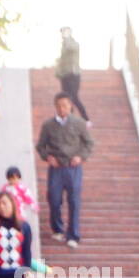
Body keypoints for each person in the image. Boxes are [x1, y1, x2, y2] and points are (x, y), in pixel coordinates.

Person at [35, 91, 92, 249]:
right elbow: (40, 146)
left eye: (65, 105)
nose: (62, 108)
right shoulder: (48, 125)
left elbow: (89, 143)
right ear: (55, 106)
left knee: (74, 200)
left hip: (73, 168)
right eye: (59, 105)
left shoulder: (79, 123)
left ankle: (73, 235)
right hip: (56, 168)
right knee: (54, 199)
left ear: (70, 106)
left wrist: (80, 157)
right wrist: (48, 157)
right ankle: (57, 229)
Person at [56, 27, 90, 122]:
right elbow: (62, 61)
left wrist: (67, 39)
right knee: (66, 97)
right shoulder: (63, 45)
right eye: (62, 32)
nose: (63, 34)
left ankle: (86, 118)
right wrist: (58, 72)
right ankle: (68, 118)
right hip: (65, 75)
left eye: (65, 32)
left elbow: (71, 48)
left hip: (73, 74)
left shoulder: (73, 43)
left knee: (74, 96)